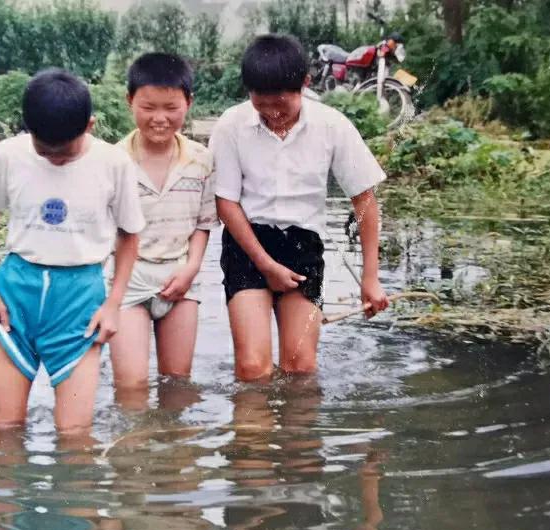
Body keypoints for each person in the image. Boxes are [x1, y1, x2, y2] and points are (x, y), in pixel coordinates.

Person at [0, 68, 145, 434]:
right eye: (44, 150)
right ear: (28, 129)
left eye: (64, 152)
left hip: (79, 299)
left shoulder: (114, 164)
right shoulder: (7, 155)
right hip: (17, 294)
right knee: (4, 431)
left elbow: (129, 236)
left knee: (74, 437)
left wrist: (113, 304)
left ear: (90, 126)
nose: (54, 159)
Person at [210, 34, 390, 382]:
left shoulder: (332, 125)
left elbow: (364, 199)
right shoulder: (231, 125)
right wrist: (266, 264)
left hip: (302, 247)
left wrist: (370, 277)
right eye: (262, 106)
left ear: (305, 84)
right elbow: (226, 202)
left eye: (282, 105)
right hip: (248, 244)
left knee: (300, 369)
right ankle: (251, 436)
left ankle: (300, 436)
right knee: (252, 368)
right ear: (248, 93)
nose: (273, 115)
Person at [108, 53, 218, 396]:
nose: (159, 118)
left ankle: (177, 450)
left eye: (171, 108)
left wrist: (191, 269)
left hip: (181, 280)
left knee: (178, 386)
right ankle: (134, 450)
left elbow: (204, 223)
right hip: (127, 284)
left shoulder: (201, 159)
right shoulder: (112, 160)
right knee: (131, 388)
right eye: (148, 107)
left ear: (189, 102)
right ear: (130, 102)